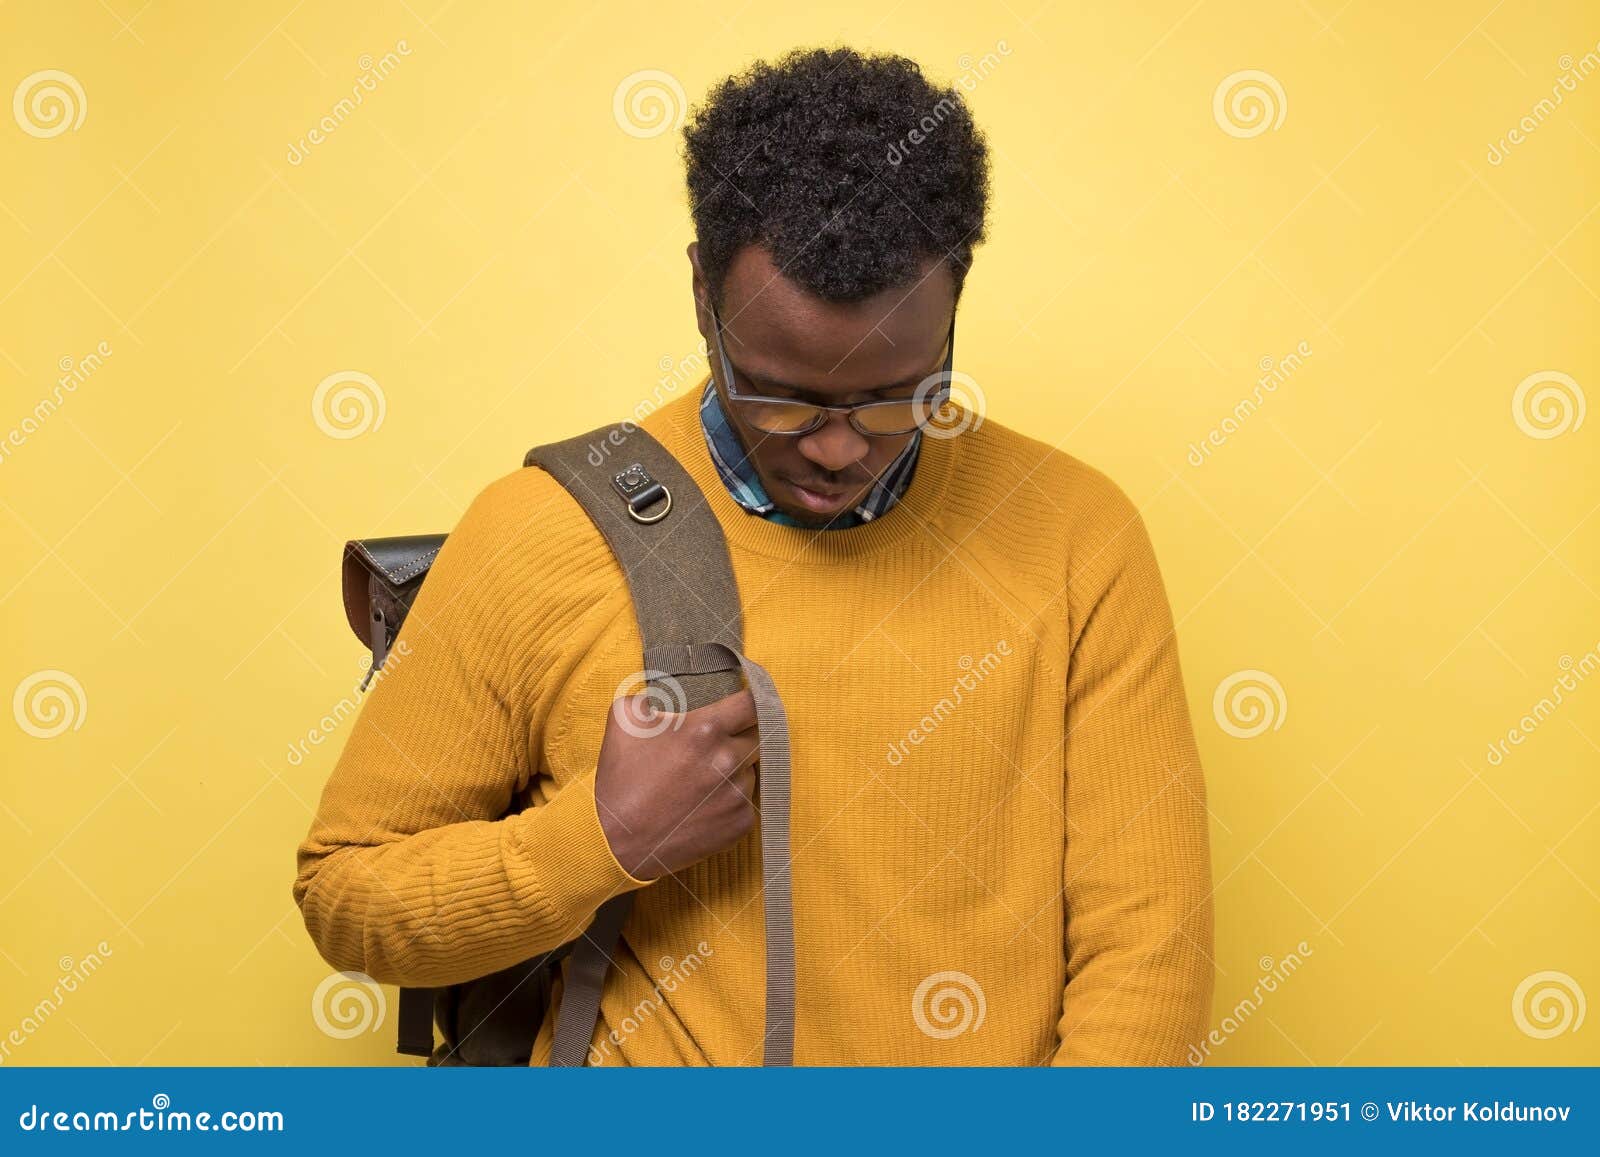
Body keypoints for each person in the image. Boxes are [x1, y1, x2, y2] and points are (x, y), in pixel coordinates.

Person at [294, 45, 1213, 1065]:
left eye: (896, 395)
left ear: (955, 303)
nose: (838, 449)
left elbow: (1149, 952)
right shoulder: (538, 531)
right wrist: (599, 838)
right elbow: (347, 895)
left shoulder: (1078, 534)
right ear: (702, 294)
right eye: (783, 395)